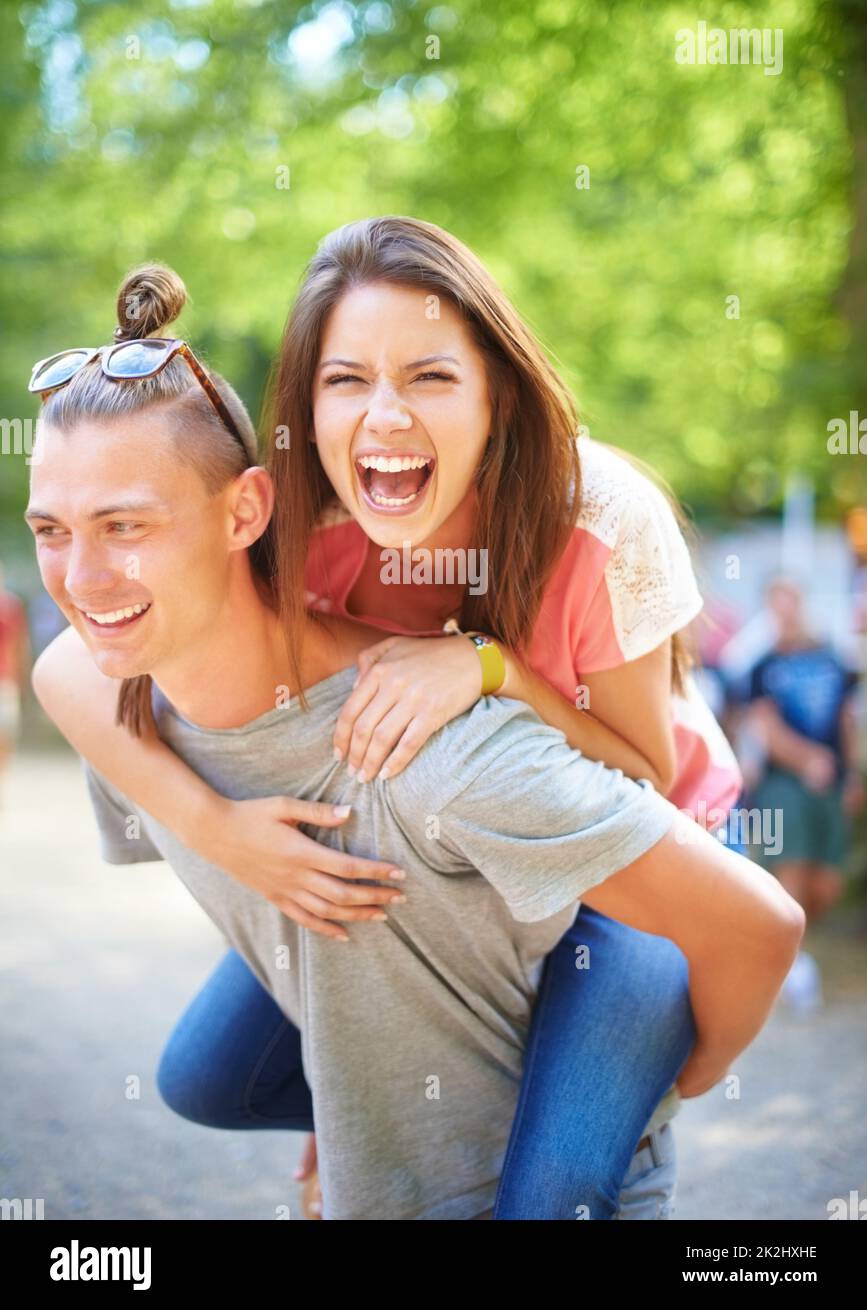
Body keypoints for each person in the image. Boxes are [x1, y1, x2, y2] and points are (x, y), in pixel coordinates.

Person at [25, 281, 804, 1219]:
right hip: (472, 842)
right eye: (344, 379)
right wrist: (219, 828)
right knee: (206, 1075)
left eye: (429, 375)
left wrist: (489, 668)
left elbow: (643, 777)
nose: (382, 416)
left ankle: (594, 1129)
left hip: (634, 842)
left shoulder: (596, 516)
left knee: (555, 1181)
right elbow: (70, 663)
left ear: (494, 394)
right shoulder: (315, 523)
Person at [740, 574, 863, 1012]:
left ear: (801, 601)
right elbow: (765, 728)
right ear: (770, 608)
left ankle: (794, 950)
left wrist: (850, 774)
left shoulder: (833, 659)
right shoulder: (760, 667)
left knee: (827, 880)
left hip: (832, 784)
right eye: (777, 601)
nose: (786, 608)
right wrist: (808, 759)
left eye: (791, 599)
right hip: (783, 786)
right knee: (788, 872)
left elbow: (847, 720)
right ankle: (792, 968)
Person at [0, 560, 29, 805]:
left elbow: (18, 647)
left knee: (4, 735)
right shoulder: (10, 606)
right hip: (6, 681)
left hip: (4, 681)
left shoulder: (9, 607)